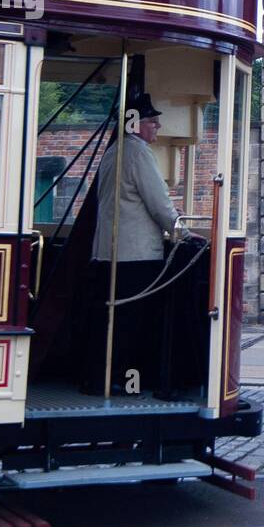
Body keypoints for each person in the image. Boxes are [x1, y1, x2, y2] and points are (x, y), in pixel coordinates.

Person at [84, 94, 188, 396]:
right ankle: (127, 380)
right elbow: (159, 204)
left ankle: (98, 378)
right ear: (133, 123)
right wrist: (181, 230)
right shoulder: (138, 152)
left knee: (109, 319)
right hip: (136, 254)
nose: (157, 125)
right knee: (132, 321)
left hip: (107, 251)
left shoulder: (113, 152)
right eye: (151, 120)